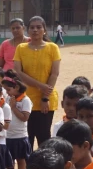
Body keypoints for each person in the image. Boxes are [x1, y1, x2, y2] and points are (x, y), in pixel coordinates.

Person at [13, 16, 61, 149]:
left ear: (44, 30)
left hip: (45, 100)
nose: (35, 30)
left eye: (39, 27)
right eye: (32, 27)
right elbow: (19, 72)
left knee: (43, 137)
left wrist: (45, 97)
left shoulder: (52, 48)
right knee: (26, 138)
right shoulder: (21, 48)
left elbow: (54, 74)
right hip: (25, 100)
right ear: (27, 30)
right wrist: (41, 86)